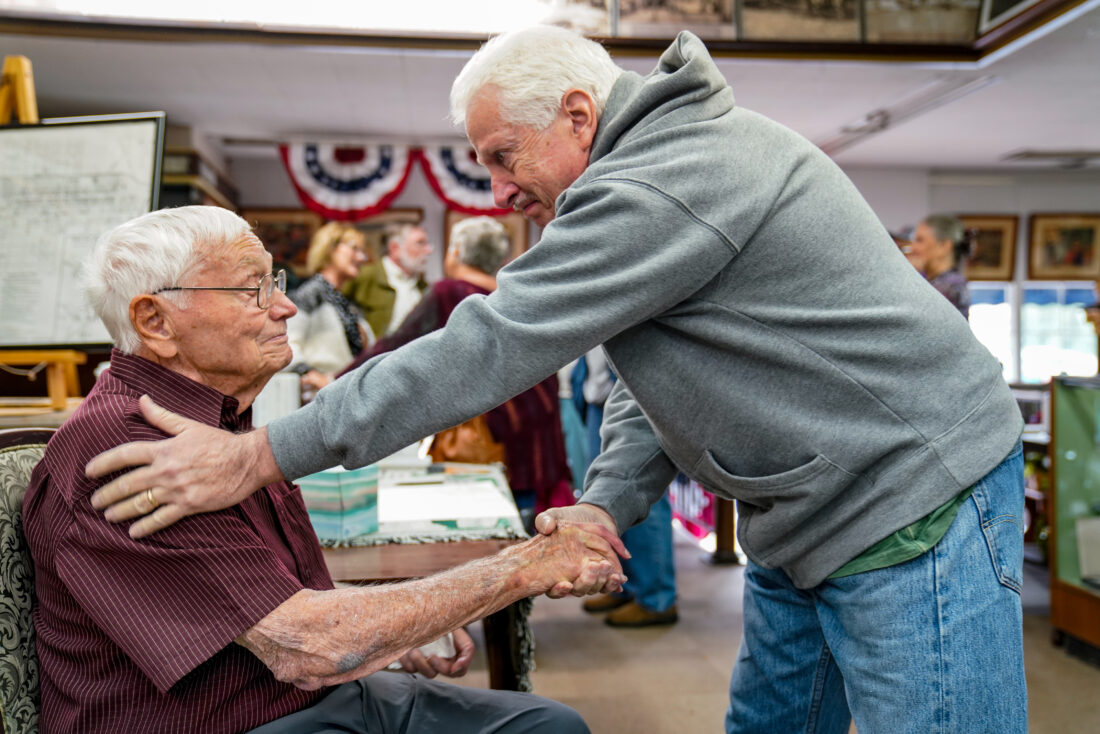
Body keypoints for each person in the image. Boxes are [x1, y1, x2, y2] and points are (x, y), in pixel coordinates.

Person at [86, 27, 1026, 734]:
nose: (496, 188)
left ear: (580, 116)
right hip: (812, 511)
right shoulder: (650, 178)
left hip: (911, 495)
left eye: (504, 157)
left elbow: (485, 343)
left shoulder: (664, 179)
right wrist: (610, 502)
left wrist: (263, 455)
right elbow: (652, 376)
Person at [23, 205, 625, 734]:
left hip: (305, 697)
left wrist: (392, 632)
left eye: (275, 282)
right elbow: (310, 645)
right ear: (155, 322)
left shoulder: (222, 426)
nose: (285, 306)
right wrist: (529, 564)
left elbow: (270, 605)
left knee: (551, 723)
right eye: (253, 289)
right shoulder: (125, 451)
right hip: (239, 718)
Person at [339, 216, 575, 524]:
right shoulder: (514, 295)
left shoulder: (450, 293)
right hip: (535, 435)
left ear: (457, 253)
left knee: (486, 529)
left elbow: (396, 346)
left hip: (490, 440)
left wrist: (339, 381)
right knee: (525, 525)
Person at [575, 347, 678, 627]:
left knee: (645, 495)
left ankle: (656, 597)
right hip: (600, 393)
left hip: (635, 388)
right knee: (603, 491)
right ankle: (627, 586)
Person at [285, 221, 373, 397]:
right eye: (354, 249)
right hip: (320, 400)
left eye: (362, 252)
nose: (361, 258)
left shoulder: (342, 300)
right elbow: (286, 345)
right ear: (330, 248)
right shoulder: (311, 294)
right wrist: (310, 374)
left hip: (341, 394)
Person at [344, 223, 433, 338]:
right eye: (420, 243)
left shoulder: (424, 287)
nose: (429, 250)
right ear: (395, 248)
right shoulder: (366, 276)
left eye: (427, 243)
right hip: (376, 355)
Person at [908, 213, 973, 318]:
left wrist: (910, 275)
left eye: (919, 240)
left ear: (943, 246)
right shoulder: (942, 282)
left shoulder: (948, 287)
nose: (912, 247)